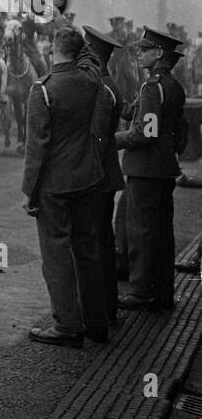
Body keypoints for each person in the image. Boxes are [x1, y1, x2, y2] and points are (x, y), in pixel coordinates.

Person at [21, 27, 107, 347]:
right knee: (88, 251)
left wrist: (29, 191)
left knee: (56, 255)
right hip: (87, 178)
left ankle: (68, 325)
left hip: (54, 186)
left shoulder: (43, 89)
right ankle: (97, 323)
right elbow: (93, 60)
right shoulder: (90, 80)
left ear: (51, 50)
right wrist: (80, 44)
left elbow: (36, 148)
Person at [116, 26, 186, 311]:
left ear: (159, 54)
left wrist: (111, 141)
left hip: (145, 170)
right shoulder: (172, 85)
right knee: (161, 233)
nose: (139, 54)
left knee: (141, 231)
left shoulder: (152, 87)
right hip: (163, 168)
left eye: (144, 50)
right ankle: (162, 292)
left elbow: (145, 133)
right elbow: (177, 129)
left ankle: (142, 291)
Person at [84, 25, 125, 330]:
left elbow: (98, 137)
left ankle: (99, 313)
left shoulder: (100, 88)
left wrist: (87, 177)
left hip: (97, 178)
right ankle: (107, 306)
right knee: (103, 241)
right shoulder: (109, 85)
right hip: (107, 175)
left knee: (95, 244)